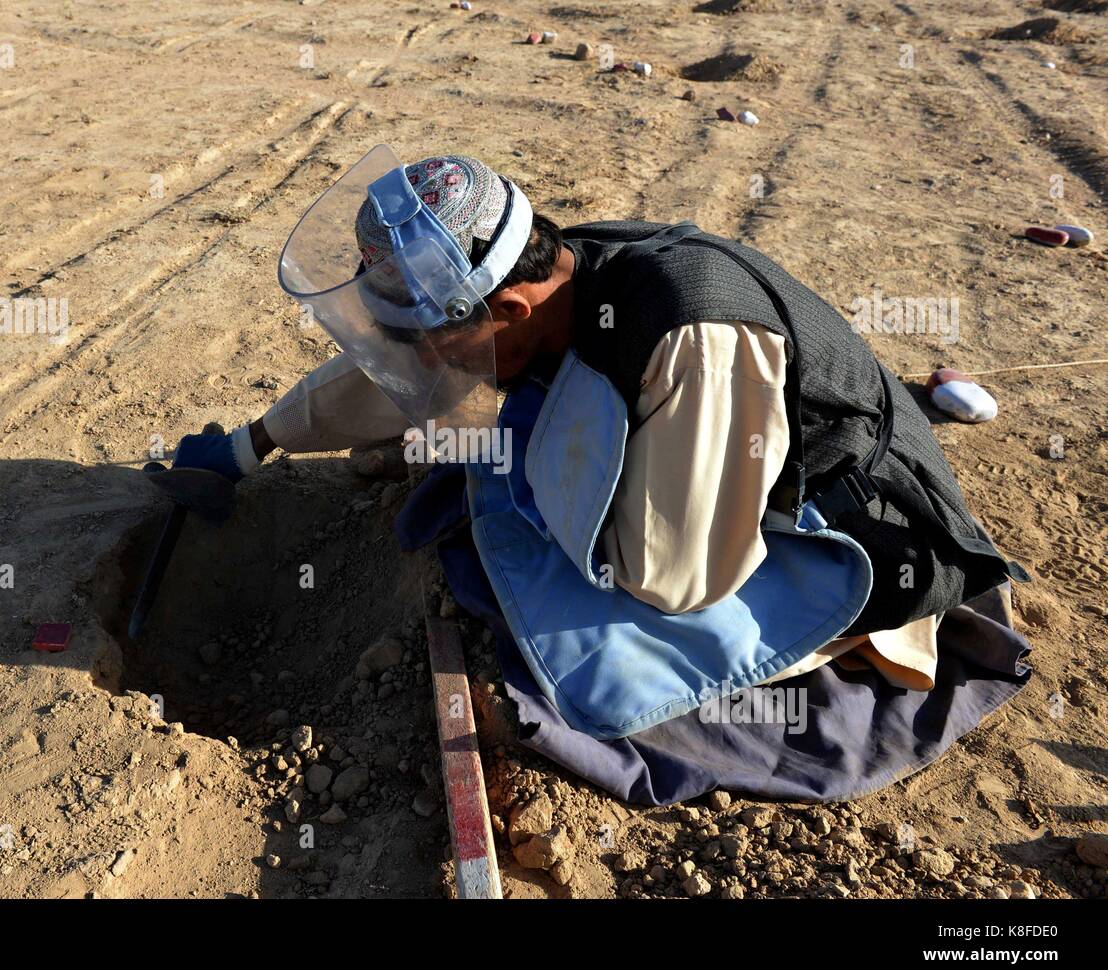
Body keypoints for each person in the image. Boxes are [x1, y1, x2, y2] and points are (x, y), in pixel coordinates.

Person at [171, 147, 1025, 736]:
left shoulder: (687, 336)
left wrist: (539, 477)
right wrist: (252, 444)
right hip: (708, 446)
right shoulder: (555, 273)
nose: (427, 367)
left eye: (436, 344)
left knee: (592, 657)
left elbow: (676, 576)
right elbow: (399, 377)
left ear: (506, 310)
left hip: (850, 518)